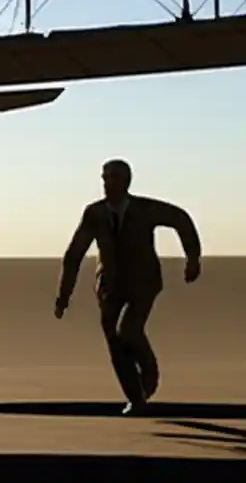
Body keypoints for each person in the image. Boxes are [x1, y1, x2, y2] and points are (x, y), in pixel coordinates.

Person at [55, 159, 202, 415]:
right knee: (115, 342)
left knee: (129, 330)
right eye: (105, 177)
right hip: (109, 286)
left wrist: (192, 258)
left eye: (113, 177)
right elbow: (75, 253)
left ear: (126, 180)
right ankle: (136, 399)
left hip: (142, 282)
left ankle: (149, 370)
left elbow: (181, 219)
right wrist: (63, 295)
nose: (107, 183)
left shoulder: (145, 209)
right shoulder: (95, 213)